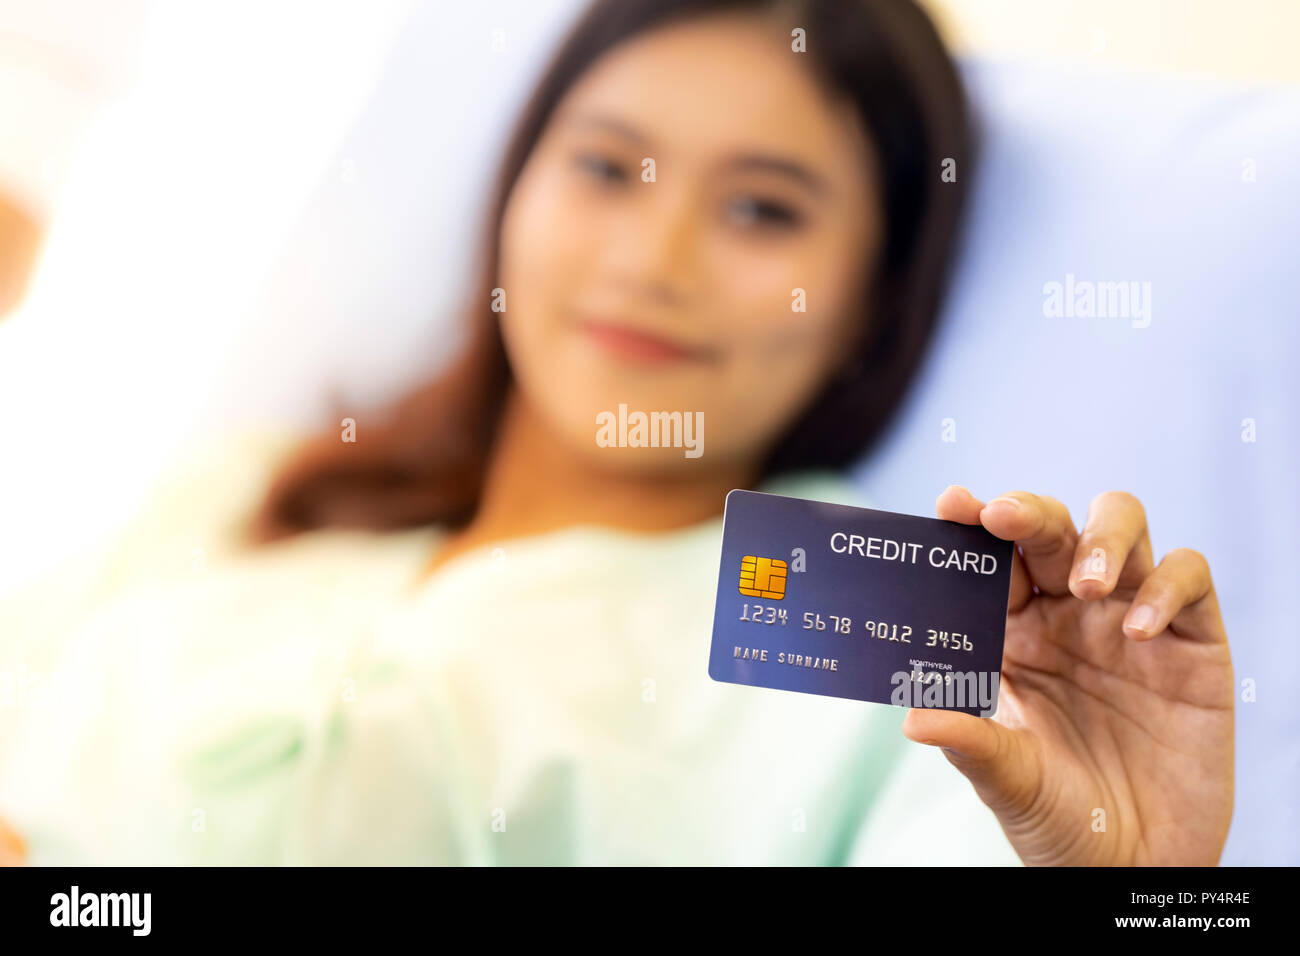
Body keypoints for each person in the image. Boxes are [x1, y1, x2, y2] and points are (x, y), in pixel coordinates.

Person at [0, 0, 1232, 865]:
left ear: (871, 294)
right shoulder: (271, 490)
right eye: (605, 168)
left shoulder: (894, 612)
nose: (653, 258)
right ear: (514, 192)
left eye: (761, 208)